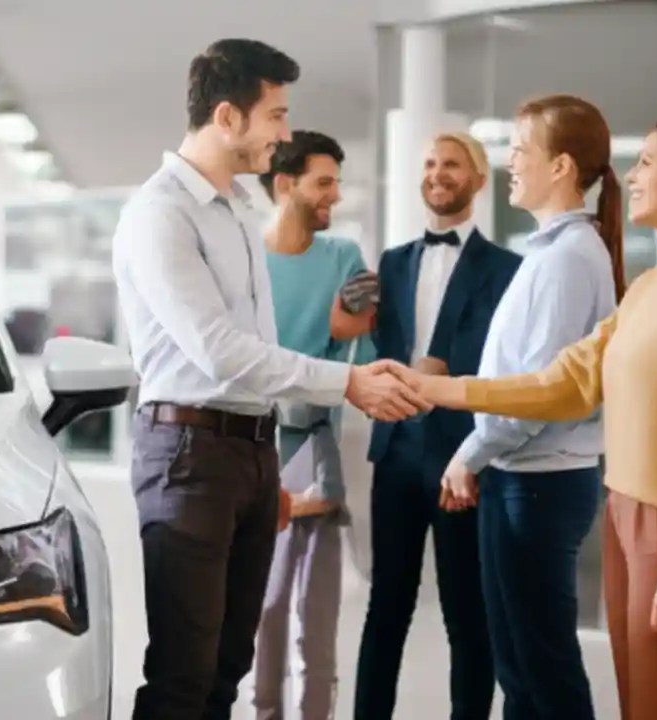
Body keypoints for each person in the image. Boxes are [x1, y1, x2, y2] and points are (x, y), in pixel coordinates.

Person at [401, 117, 657, 720]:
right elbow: (563, 383)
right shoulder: (650, 287)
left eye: (647, 162)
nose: (630, 175)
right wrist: (434, 388)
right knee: (639, 706)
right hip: (625, 517)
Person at [110, 39, 429, 720]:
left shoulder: (238, 213)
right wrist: (345, 382)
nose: (284, 134)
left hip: (250, 453)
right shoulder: (159, 213)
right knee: (182, 674)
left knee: (229, 666)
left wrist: (269, 467)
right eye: (276, 116)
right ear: (228, 117)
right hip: (190, 457)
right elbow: (221, 351)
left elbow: (263, 347)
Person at [436, 94, 623, 720]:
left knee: (543, 673)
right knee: (519, 671)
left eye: (520, 149)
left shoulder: (569, 257)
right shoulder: (549, 250)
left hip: (539, 484)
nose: (509, 162)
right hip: (521, 477)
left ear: (563, 166)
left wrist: (470, 452)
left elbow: (541, 391)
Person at [352, 131, 521, 720]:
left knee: (466, 611)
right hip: (396, 451)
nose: (437, 173)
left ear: (478, 179)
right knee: (386, 606)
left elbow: (501, 361)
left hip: (462, 454)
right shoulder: (393, 263)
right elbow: (377, 345)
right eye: (429, 163)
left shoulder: (509, 270)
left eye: (452, 164)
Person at [250, 129, 379, 720]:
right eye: (323, 183)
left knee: (317, 616)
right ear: (285, 185)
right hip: (254, 449)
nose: (335, 195)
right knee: (266, 609)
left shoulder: (343, 258)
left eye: (336, 183)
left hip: (319, 448)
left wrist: (353, 326)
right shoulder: (245, 256)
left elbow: (364, 350)